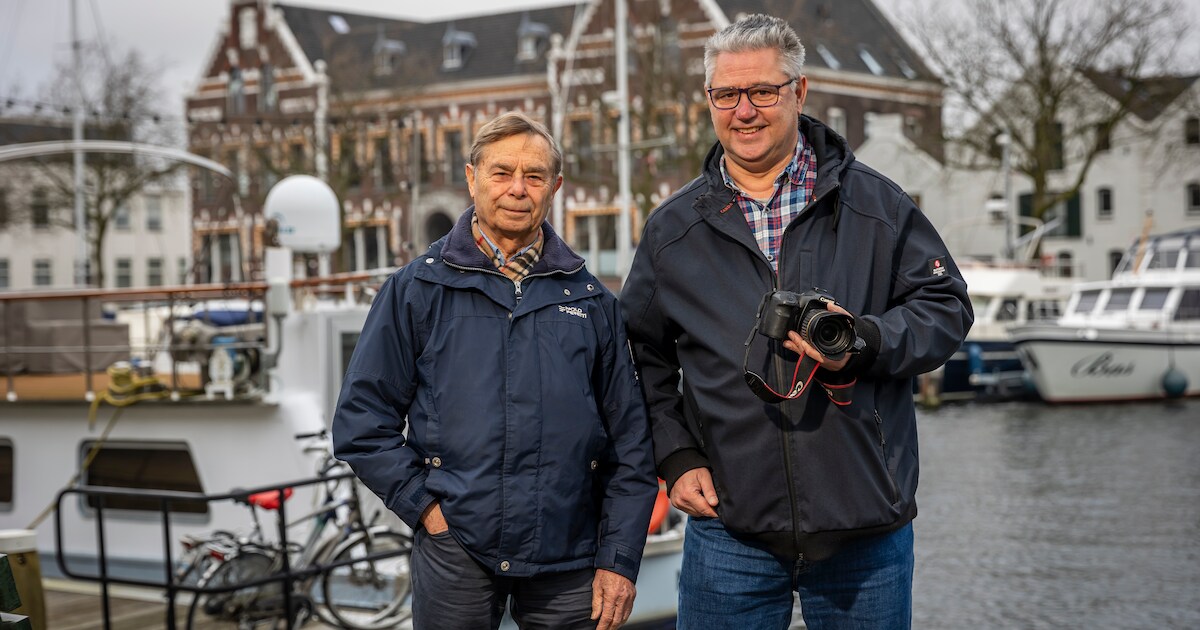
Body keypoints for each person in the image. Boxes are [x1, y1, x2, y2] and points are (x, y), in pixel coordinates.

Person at [620, 14, 972, 630]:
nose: (744, 110)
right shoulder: (673, 231)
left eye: (763, 91)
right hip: (730, 527)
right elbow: (637, 357)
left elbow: (946, 307)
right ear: (709, 101)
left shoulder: (878, 205)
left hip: (865, 527)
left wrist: (865, 341)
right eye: (726, 94)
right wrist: (675, 457)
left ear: (800, 92)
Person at [333, 112, 657, 630]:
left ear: (555, 187)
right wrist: (426, 511)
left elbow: (631, 447)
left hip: (570, 554)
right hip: (456, 548)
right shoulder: (417, 290)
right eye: (502, 173)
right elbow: (361, 424)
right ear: (472, 178)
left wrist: (617, 560)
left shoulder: (593, 302)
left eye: (533, 176)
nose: (517, 189)